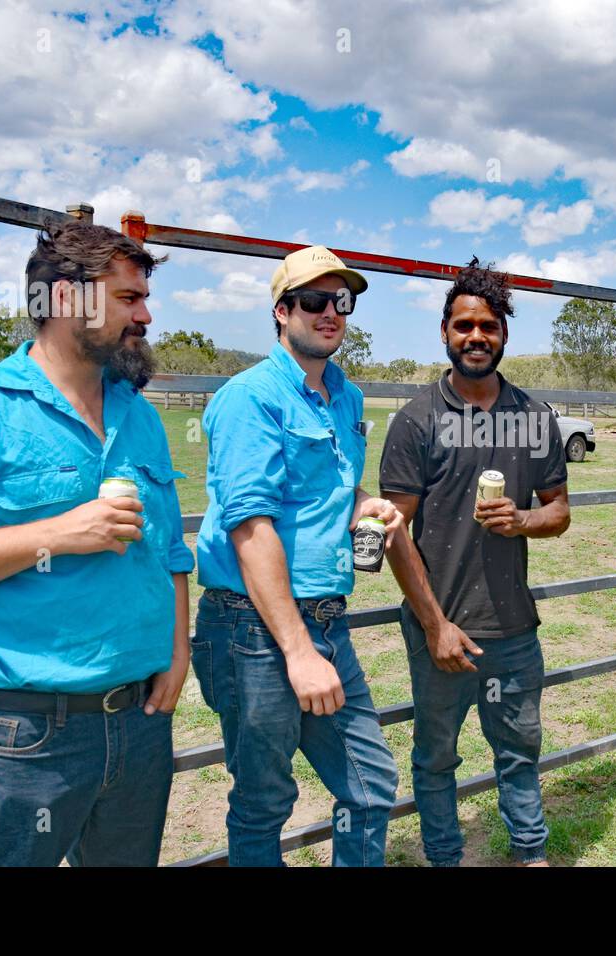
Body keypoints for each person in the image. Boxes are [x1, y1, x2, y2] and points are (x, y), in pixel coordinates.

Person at [0, 220, 193, 866]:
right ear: (68, 299)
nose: (147, 314)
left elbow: (170, 552)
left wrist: (178, 651)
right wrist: (58, 534)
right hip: (23, 740)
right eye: (129, 298)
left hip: (137, 725)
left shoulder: (140, 415)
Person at [193, 245, 402, 866]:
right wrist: (298, 651)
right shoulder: (249, 398)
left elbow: (326, 487)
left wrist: (365, 503)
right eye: (314, 300)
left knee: (369, 786)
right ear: (282, 311)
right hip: (253, 627)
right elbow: (250, 527)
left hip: (324, 618)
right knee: (263, 799)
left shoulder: (348, 396)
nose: (331, 312)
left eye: (343, 301)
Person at [379, 257, 570, 866]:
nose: (476, 337)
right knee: (437, 758)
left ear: (504, 335)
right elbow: (394, 531)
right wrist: (435, 624)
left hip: (513, 627)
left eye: (488, 326)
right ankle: (445, 857)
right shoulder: (416, 420)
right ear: (444, 332)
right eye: (463, 326)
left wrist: (524, 520)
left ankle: (531, 854)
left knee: (519, 754)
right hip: (443, 631)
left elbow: (559, 512)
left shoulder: (535, 420)